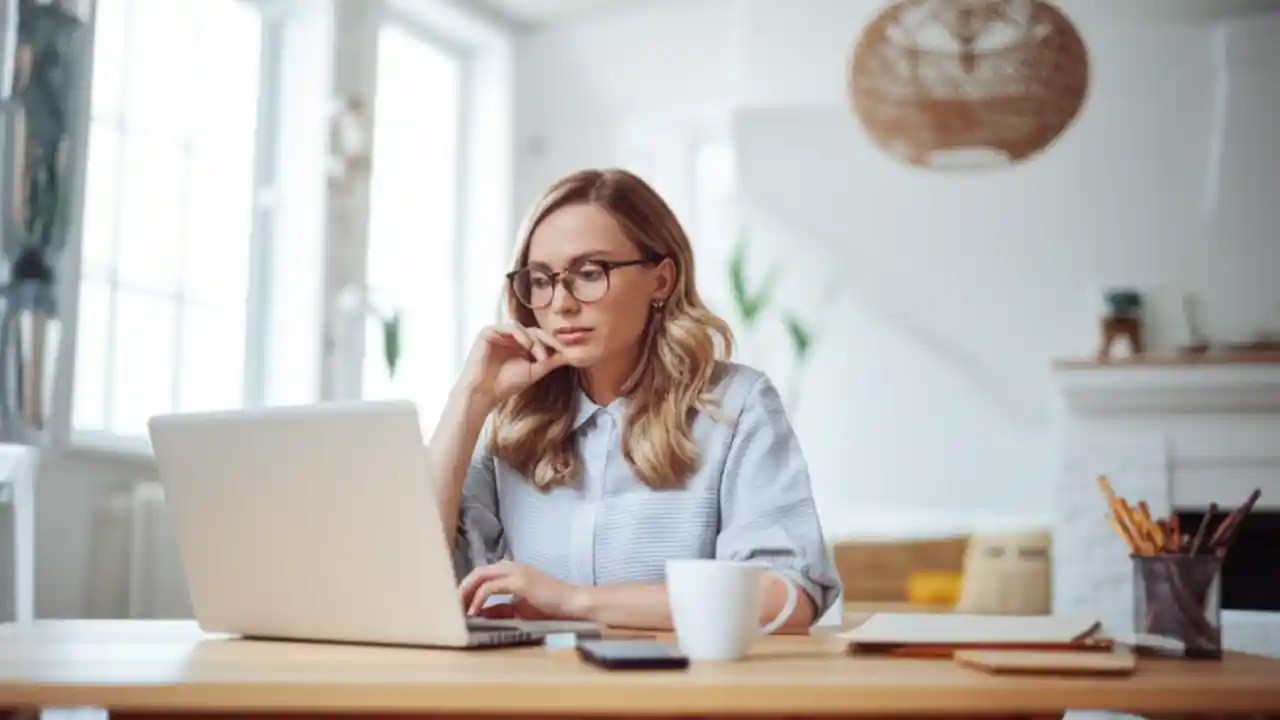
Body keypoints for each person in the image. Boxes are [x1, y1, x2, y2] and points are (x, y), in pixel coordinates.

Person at [425, 168, 840, 631]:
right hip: (534, 697)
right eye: (541, 280)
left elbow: (785, 597)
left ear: (661, 280)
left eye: (588, 273)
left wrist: (574, 601)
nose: (560, 303)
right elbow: (417, 579)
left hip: (683, 699)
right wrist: (469, 398)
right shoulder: (512, 423)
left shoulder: (735, 406)